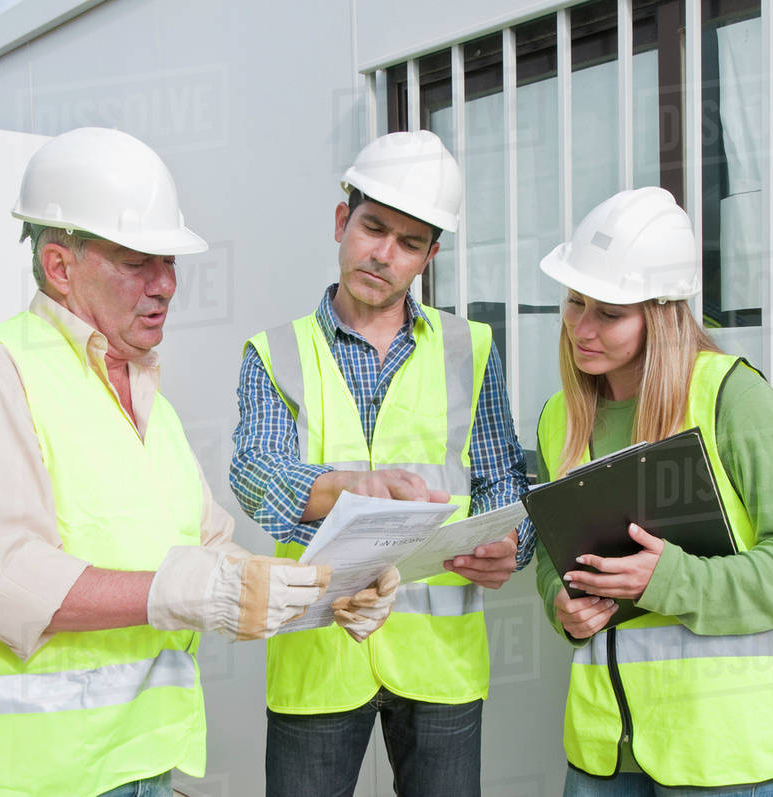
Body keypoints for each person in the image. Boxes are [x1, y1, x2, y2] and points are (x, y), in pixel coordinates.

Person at [0, 127, 346, 797]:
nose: (166, 284)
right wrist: (186, 590)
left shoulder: (145, 398)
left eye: (169, 260)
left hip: (140, 766)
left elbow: (212, 553)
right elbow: (12, 585)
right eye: (137, 260)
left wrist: (330, 588)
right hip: (10, 777)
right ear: (60, 266)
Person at [229, 129, 533, 796]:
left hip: (439, 660)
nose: (384, 254)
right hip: (320, 649)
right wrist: (345, 487)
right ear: (343, 221)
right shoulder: (275, 351)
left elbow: (502, 476)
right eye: (373, 227)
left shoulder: (470, 347)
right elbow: (254, 472)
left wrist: (515, 541)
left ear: (430, 254)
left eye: (410, 241)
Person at [532, 187, 773, 796]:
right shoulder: (558, 417)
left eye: (609, 313)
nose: (581, 329)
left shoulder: (731, 397)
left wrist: (668, 580)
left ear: (662, 313)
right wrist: (560, 606)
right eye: (573, 303)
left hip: (720, 751)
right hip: (604, 751)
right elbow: (550, 553)